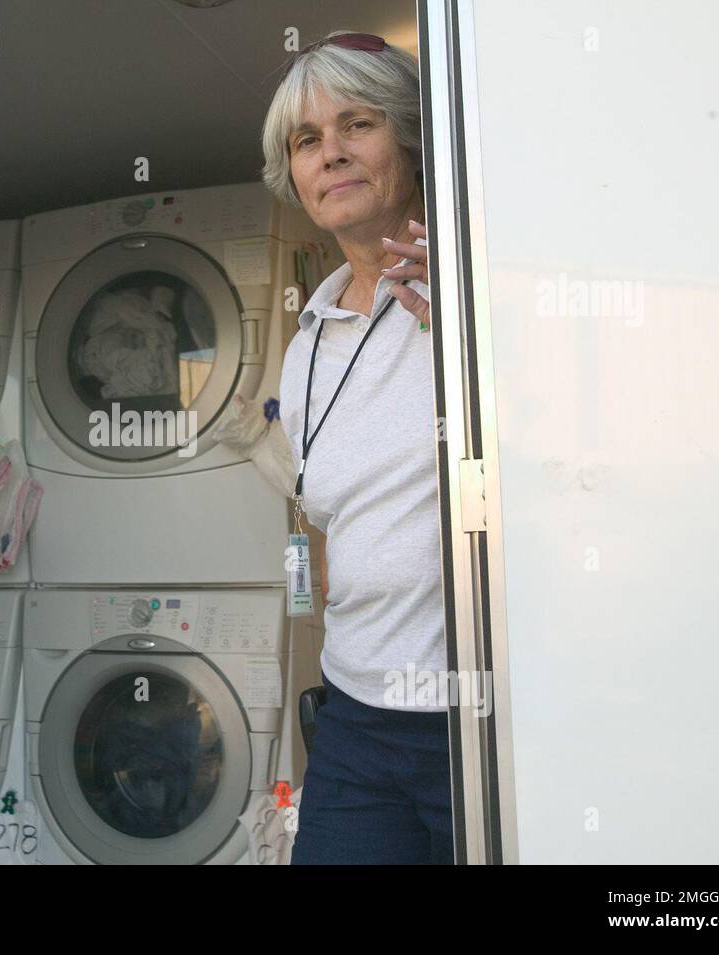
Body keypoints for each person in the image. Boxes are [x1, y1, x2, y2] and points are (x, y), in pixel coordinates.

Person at [260, 31, 452, 864]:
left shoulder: (480, 283)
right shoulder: (308, 341)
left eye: (357, 124)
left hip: (478, 718)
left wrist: (481, 323)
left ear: (408, 137)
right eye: (307, 141)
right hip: (355, 722)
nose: (331, 153)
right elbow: (335, 526)